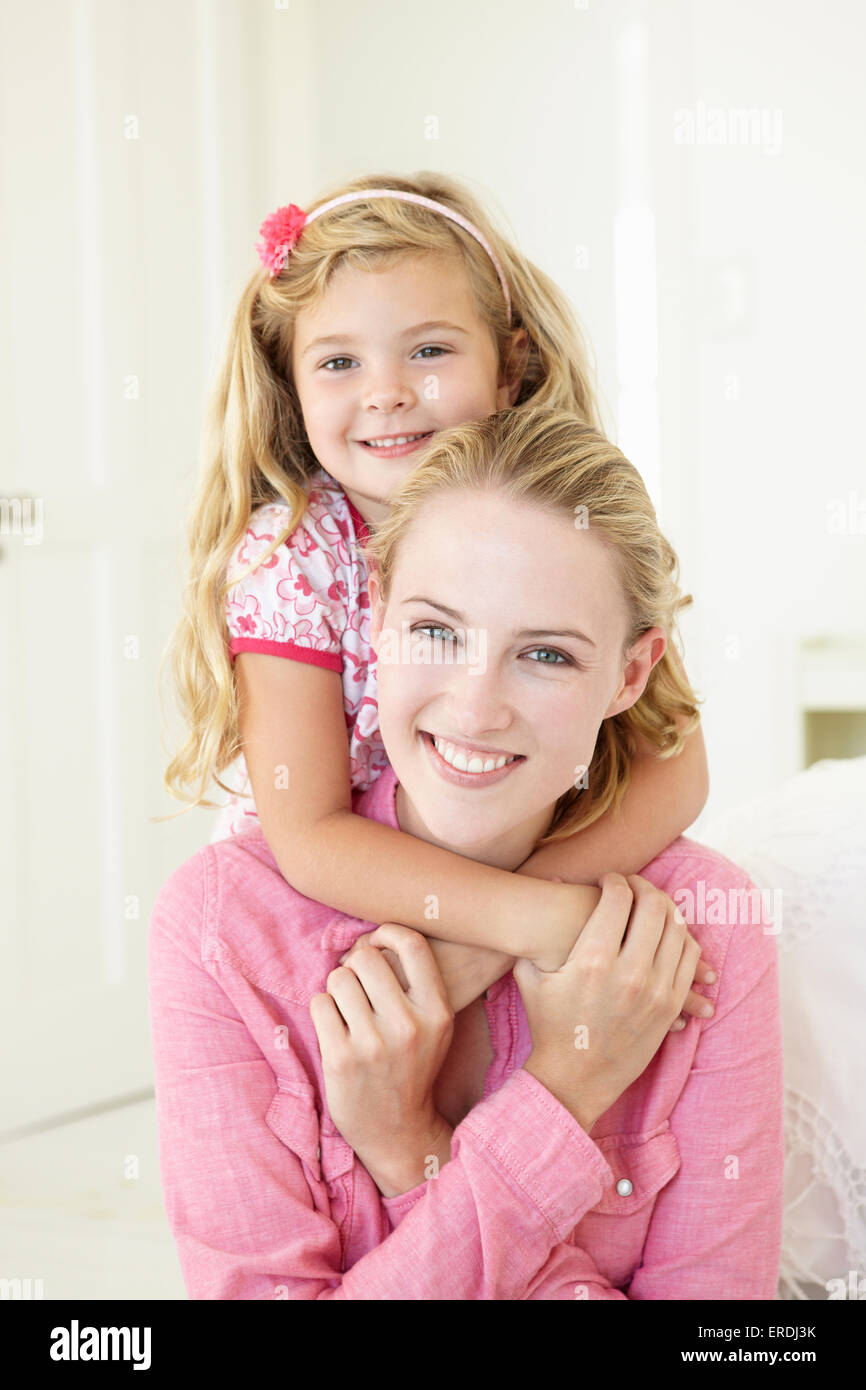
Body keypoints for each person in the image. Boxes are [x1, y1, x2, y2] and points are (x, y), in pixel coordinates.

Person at [148, 406, 784, 1299]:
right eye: (436, 632)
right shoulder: (224, 933)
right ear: (373, 618)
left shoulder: (706, 930)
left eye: (548, 655)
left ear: (631, 675)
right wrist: (556, 1102)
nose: (477, 707)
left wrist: (415, 1151)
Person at [158, 171, 712, 976]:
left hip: (515, 876)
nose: (386, 393)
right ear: (291, 385)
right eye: (339, 362)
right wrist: (527, 922)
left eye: (428, 350)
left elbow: (677, 769)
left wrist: (520, 926)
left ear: (508, 366)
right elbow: (312, 839)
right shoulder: (289, 557)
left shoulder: (567, 522)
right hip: (334, 914)